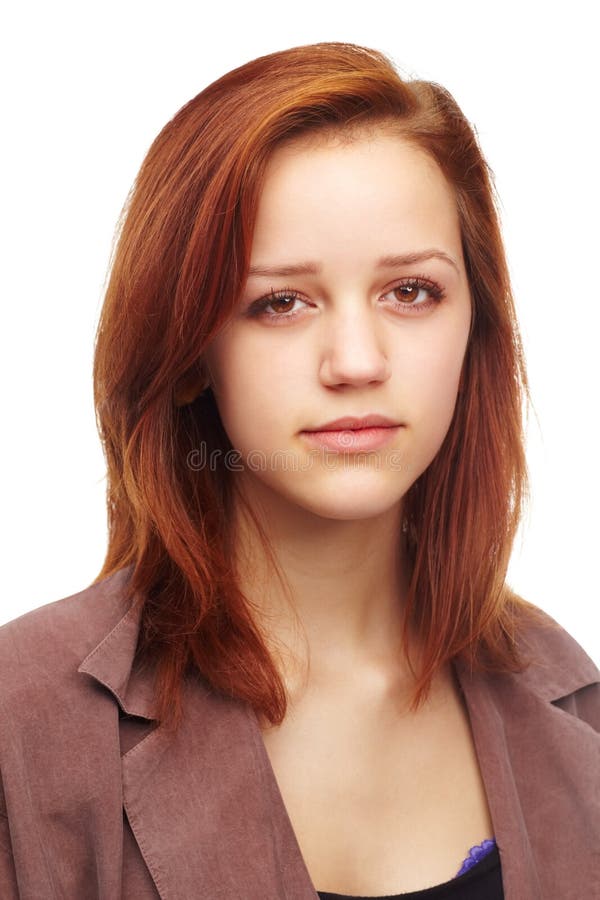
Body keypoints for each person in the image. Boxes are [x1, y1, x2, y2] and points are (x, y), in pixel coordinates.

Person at [0, 41, 598, 900]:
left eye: (411, 292)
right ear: (190, 351)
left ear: (478, 327)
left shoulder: (572, 698)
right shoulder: (24, 723)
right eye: (280, 302)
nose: (356, 361)